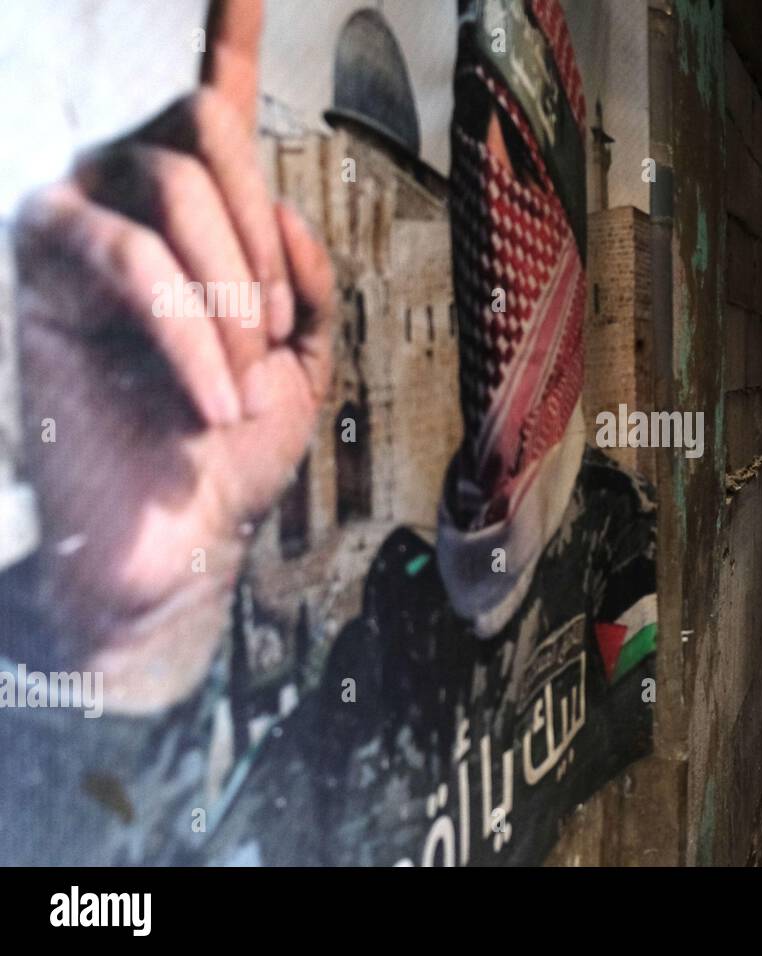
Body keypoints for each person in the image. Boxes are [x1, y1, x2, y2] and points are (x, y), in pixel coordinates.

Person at [0, 0, 657, 867]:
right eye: (474, 161)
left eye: (517, 175)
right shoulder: (391, 622)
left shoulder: (613, 544)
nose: (489, 241)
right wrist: (127, 633)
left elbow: (634, 721)